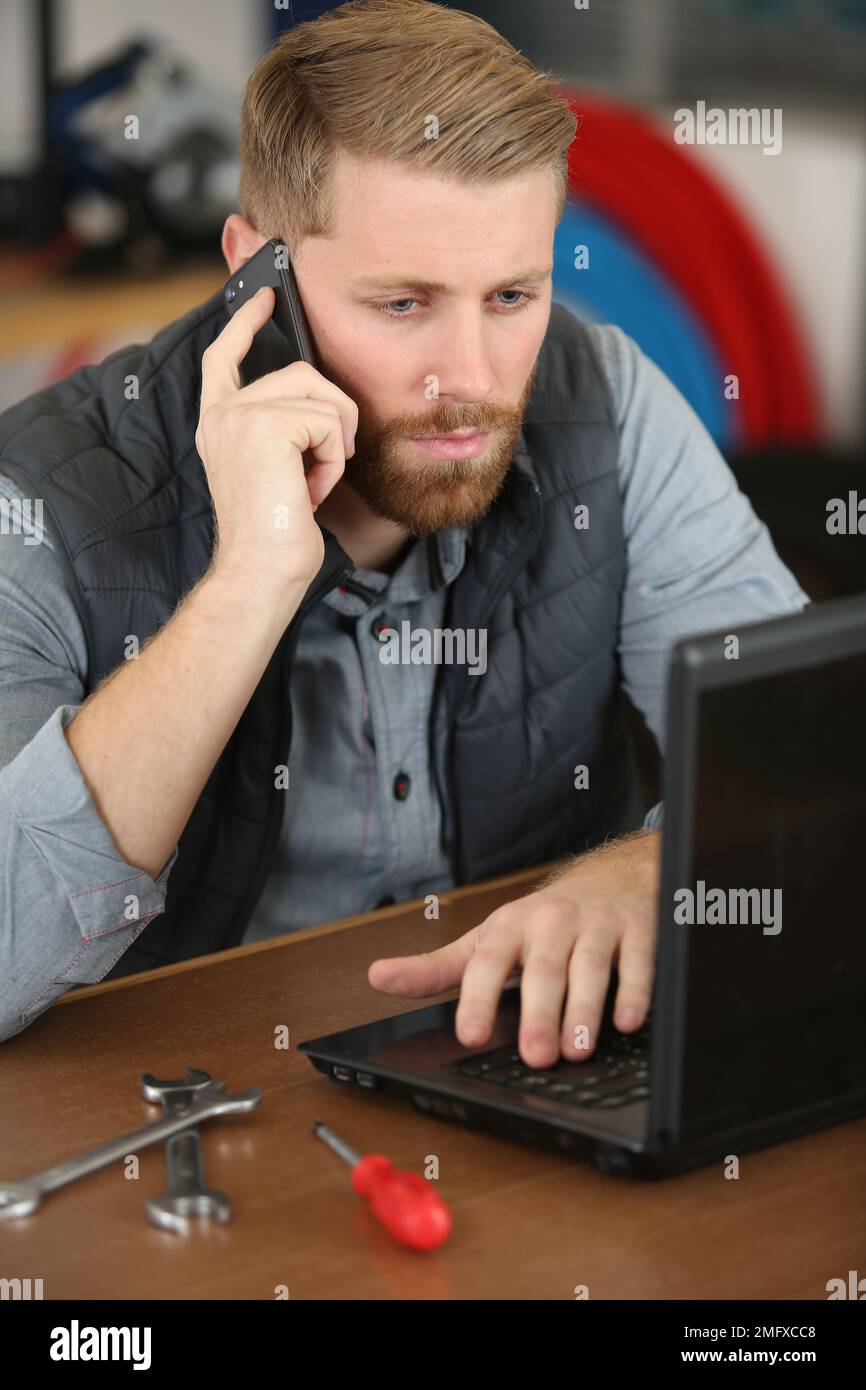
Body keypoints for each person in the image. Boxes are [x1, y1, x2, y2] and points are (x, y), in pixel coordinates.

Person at [0, 0, 808, 1057]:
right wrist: (248, 582)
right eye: (401, 305)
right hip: (184, 1118)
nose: (471, 381)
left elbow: (804, 767)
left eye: (511, 294)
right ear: (256, 273)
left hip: (523, 1076)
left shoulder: (603, 400)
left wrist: (648, 873)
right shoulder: (41, 499)